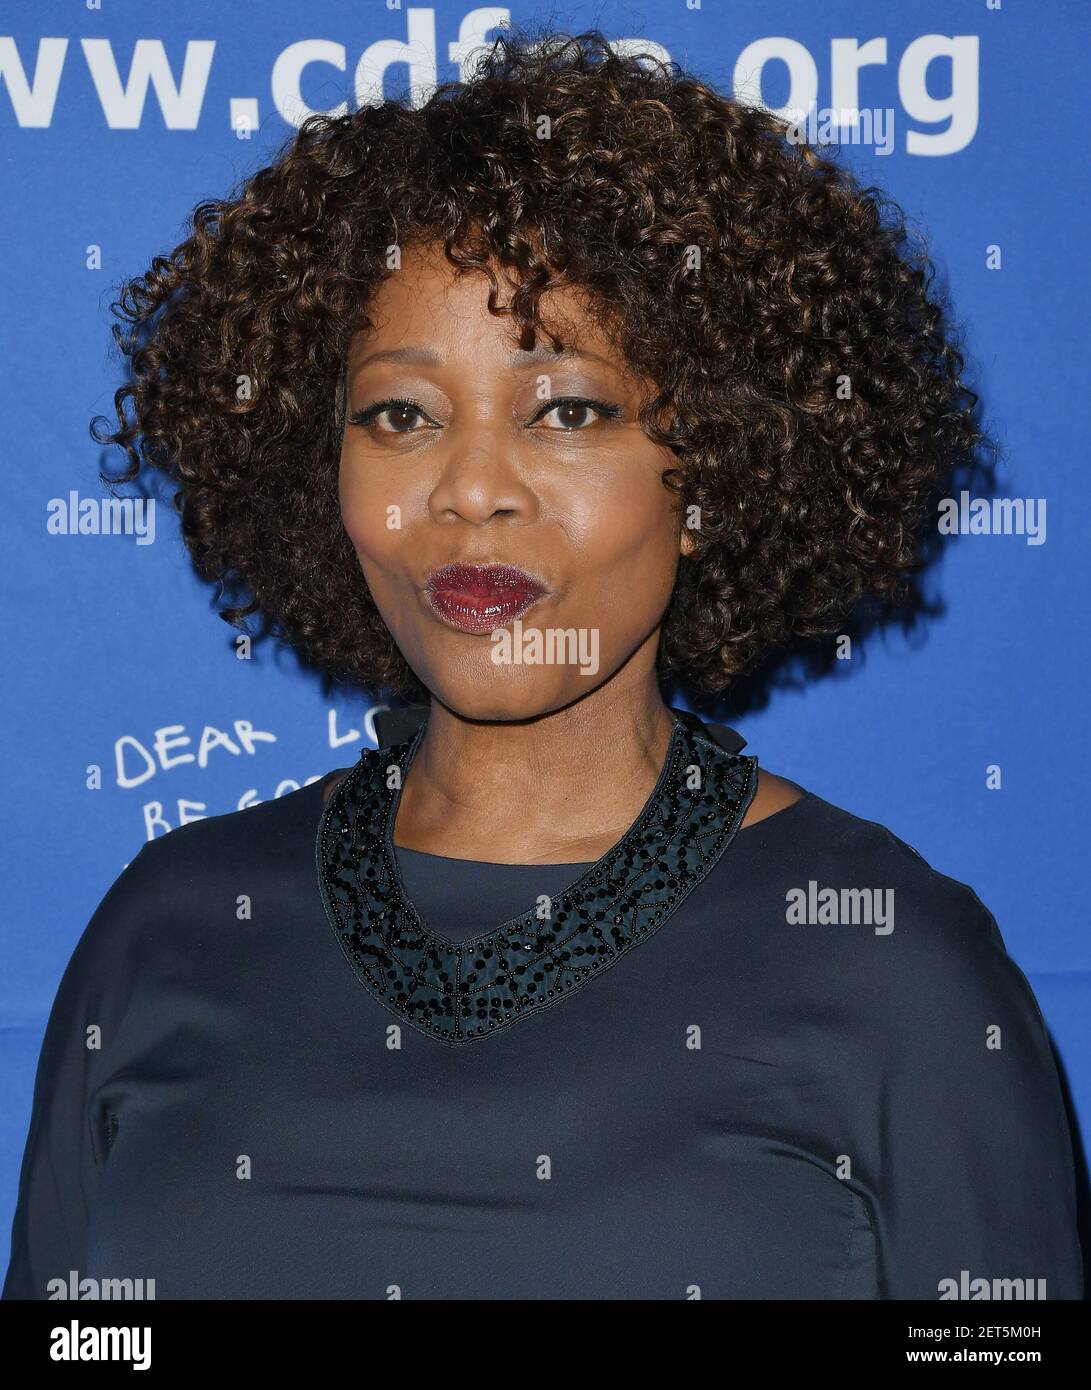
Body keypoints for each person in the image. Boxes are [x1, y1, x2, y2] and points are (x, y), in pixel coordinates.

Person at [3, 29, 1082, 1300]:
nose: (469, 493)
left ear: (717, 467)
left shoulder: (893, 961)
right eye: (398, 415)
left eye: (565, 408)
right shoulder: (163, 929)